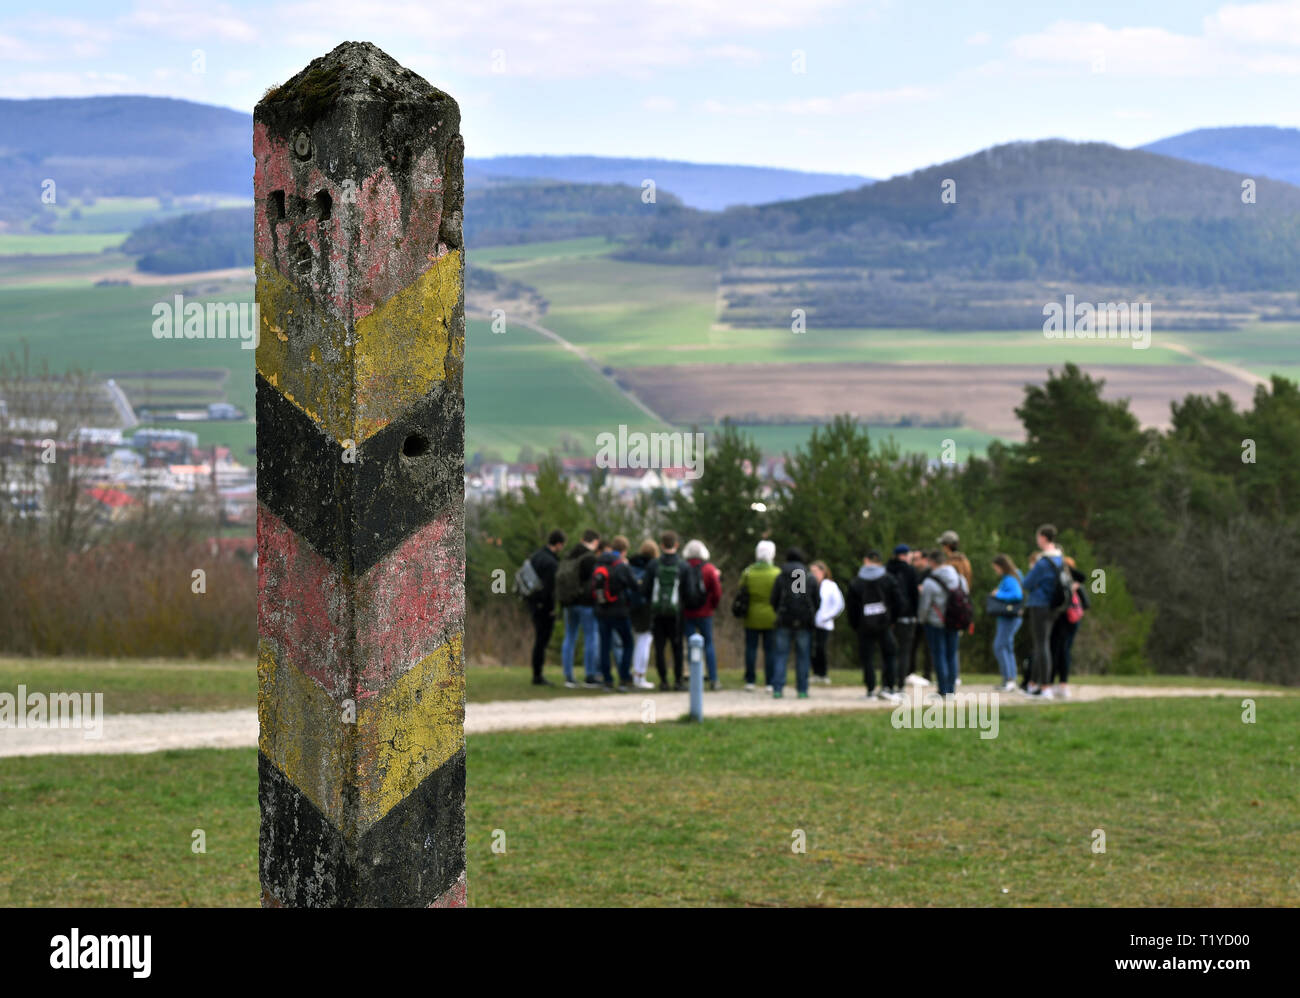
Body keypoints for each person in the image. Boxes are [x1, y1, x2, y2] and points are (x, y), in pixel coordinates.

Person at [846, 549, 903, 701]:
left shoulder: (856, 581)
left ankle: (870, 689)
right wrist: (892, 620)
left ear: (866, 561)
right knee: (889, 655)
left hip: (864, 626)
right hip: (884, 624)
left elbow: (851, 607)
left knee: (867, 658)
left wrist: (855, 625)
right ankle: (889, 687)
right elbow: (898, 602)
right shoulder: (888, 579)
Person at [769, 547, 820, 698]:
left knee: (781, 655)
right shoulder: (809, 577)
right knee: (803, 656)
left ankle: (778, 689)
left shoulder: (781, 577)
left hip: (784, 620)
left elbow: (773, 599)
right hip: (804, 622)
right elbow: (816, 600)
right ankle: (802, 690)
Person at [1021, 524, 1065, 698]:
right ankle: (1034, 684)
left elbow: (1026, 583)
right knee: (1044, 644)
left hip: (1040, 604)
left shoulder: (1043, 561)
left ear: (1043, 538)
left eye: (1038, 536)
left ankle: (1044, 686)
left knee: (1041, 646)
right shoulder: (1060, 559)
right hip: (1054, 606)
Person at [916, 549, 967, 698]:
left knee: (939, 655)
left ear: (932, 562)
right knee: (952, 654)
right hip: (955, 622)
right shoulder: (959, 578)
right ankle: (951, 689)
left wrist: (922, 619)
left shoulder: (930, 582)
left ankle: (943, 689)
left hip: (935, 622)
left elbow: (925, 605)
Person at [642, 529, 688, 691]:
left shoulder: (654, 565)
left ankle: (663, 681)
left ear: (661, 545)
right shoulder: (683, 566)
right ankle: (678, 681)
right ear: (676, 545)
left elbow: (645, 589)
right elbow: (688, 592)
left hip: (657, 612)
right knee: (677, 648)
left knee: (660, 648)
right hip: (676, 614)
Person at [556, 529, 602, 688]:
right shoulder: (590, 558)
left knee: (570, 637)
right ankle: (590, 675)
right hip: (586, 604)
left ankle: (568, 676)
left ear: (582, 539)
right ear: (595, 542)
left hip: (569, 602)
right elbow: (592, 583)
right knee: (590, 637)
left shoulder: (569, 555)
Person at [592, 535, 637, 691]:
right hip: (619, 611)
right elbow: (633, 585)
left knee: (605, 646)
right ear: (624, 551)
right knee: (628, 643)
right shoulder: (622, 566)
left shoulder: (599, 563)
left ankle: (607, 680)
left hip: (602, 610)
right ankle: (624, 677)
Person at [524, 529, 566, 686]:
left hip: (532, 603)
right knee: (541, 641)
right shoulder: (551, 563)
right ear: (559, 544)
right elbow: (549, 590)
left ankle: (537, 673)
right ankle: (537, 675)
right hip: (543, 607)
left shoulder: (536, 556)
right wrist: (551, 609)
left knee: (539, 639)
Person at [738, 540, 781, 692]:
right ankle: (769, 682)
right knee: (770, 650)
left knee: (751, 649)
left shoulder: (748, 572)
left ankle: (750, 681)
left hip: (752, 615)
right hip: (771, 616)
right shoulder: (776, 573)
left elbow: (741, 590)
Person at [682, 539, 723, 690]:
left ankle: (692, 678)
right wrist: (713, 605)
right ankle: (713, 679)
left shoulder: (683, 567)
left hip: (687, 613)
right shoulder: (709, 569)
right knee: (709, 645)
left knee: (690, 646)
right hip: (706, 613)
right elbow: (717, 591)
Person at [1049, 556, 1089, 698]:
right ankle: (1062, 684)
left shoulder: (1068, 583)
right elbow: (1086, 604)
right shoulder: (1074, 584)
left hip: (1065, 619)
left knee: (1059, 651)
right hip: (1074, 621)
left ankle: (1060, 684)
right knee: (1064, 650)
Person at [937, 530, 973, 687]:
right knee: (954, 644)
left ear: (946, 546)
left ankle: (951, 677)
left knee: (948, 647)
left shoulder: (951, 564)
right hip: (963, 605)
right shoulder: (965, 561)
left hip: (951, 607)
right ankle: (954, 675)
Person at [885, 544, 918, 691]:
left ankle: (887, 682)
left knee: (888, 651)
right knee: (904, 652)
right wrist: (916, 613)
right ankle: (900, 684)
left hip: (889, 617)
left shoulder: (887, 570)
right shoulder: (910, 571)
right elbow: (914, 595)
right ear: (906, 555)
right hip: (907, 617)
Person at [627, 538, 659, 689]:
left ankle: (633, 674)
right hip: (646, 607)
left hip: (631, 606)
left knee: (635, 640)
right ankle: (639, 675)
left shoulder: (631, 564)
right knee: (644, 641)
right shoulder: (653, 567)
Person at [989, 553, 1023, 692]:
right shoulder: (1016, 574)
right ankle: (1010, 679)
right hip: (1009, 618)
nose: (995, 570)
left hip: (1009, 618)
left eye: (996, 567)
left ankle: (1008, 679)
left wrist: (998, 594)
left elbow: (1017, 595)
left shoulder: (1010, 578)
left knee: (999, 646)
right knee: (1007, 646)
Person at [810, 561, 845, 685]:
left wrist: (828, 616)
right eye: (811, 572)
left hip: (824, 624)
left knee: (821, 648)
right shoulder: (809, 584)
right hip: (811, 623)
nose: (813, 574)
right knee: (811, 648)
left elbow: (839, 604)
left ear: (823, 572)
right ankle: (815, 673)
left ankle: (823, 673)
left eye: (815, 571)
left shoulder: (830, 586)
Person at [909, 548, 934, 684]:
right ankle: (910, 672)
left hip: (928, 614)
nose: (914, 562)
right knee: (913, 644)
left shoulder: (930, 574)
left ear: (925, 559)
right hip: (916, 613)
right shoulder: (915, 573)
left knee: (928, 646)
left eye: (916, 559)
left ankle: (927, 674)